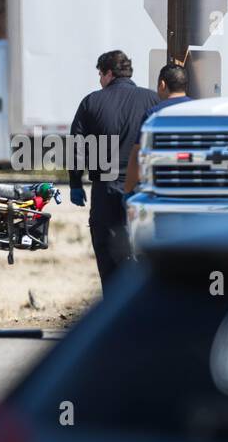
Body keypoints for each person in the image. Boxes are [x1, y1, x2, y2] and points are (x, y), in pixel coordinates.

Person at [68, 50, 160, 289]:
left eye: (100, 74)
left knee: (107, 252)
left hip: (105, 188)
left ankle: (114, 304)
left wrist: (76, 184)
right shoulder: (152, 100)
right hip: (141, 188)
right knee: (144, 251)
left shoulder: (91, 102)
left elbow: (75, 147)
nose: (99, 79)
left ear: (109, 73)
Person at [124, 62, 192, 193]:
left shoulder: (154, 114)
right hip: (192, 185)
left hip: (162, 185)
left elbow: (138, 154)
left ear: (162, 85)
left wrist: (128, 189)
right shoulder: (199, 110)